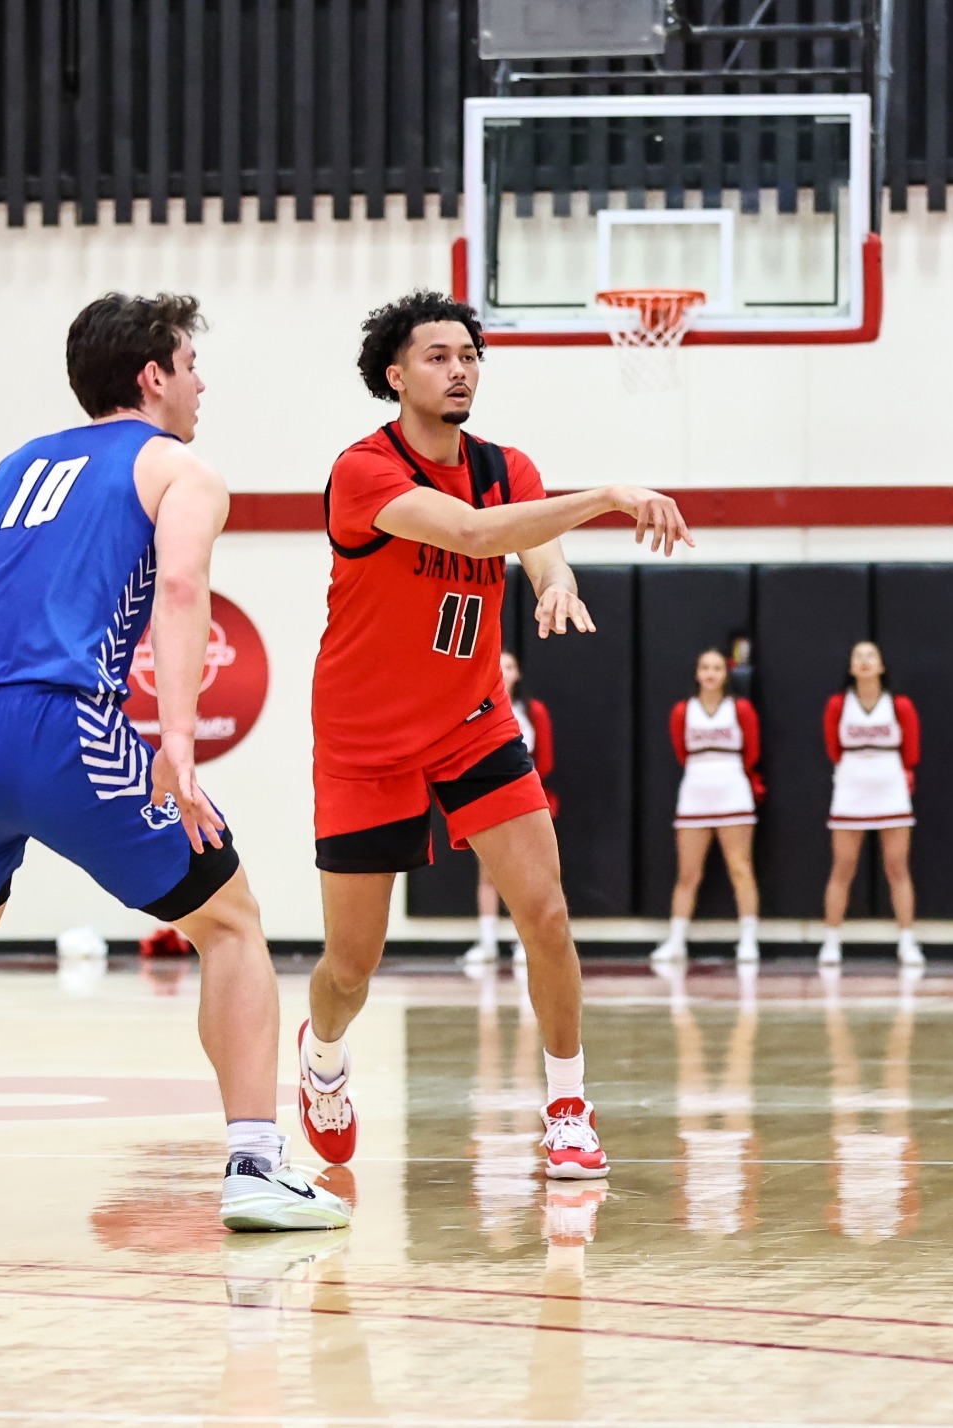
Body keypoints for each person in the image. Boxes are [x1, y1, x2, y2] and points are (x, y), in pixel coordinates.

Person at [0, 292, 346, 1233]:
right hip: (63, 724)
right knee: (232, 921)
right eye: (191, 363)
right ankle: (256, 1163)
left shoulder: (10, 470)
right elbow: (179, 588)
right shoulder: (180, 470)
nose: (202, 383)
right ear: (152, 375)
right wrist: (176, 741)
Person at [299, 290, 691, 1183]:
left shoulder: (506, 464)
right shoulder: (364, 473)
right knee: (351, 969)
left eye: (470, 353)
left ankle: (566, 1105)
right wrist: (607, 496)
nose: (461, 366)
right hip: (364, 741)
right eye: (438, 355)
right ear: (395, 377)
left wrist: (555, 581)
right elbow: (477, 535)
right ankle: (322, 1056)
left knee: (546, 915)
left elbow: (530, 542)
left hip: (472, 725)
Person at [651, 648, 764, 965]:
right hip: (695, 793)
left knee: (740, 867)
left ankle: (748, 940)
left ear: (725, 674)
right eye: (705, 667)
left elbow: (752, 752)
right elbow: (681, 752)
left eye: (717, 667)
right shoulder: (682, 711)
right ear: (697, 673)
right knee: (687, 873)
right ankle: (675, 942)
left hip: (733, 791)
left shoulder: (740, 709)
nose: (711, 673)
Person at [817, 641, 922, 969]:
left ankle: (907, 942)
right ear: (850, 668)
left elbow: (912, 751)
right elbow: (833, 747)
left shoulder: (900, 705)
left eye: (870, 657)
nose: (863, 662)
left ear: (881, 666)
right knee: (843, 867)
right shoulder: (837, 704)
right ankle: (831, 942)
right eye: (857, 657)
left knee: (897, 867)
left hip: (889, 785)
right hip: (851, 786)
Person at [462, 649, 557, 967]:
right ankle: (488, 943)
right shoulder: (474, 708)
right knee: (488, 873)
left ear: (518, 674)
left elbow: (545, 759)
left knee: (528, 875)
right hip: (486, 797)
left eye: (511, 666)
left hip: (524, 797)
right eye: (498, 665)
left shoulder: (533, 711)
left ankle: (525, 942)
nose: (504, 671)